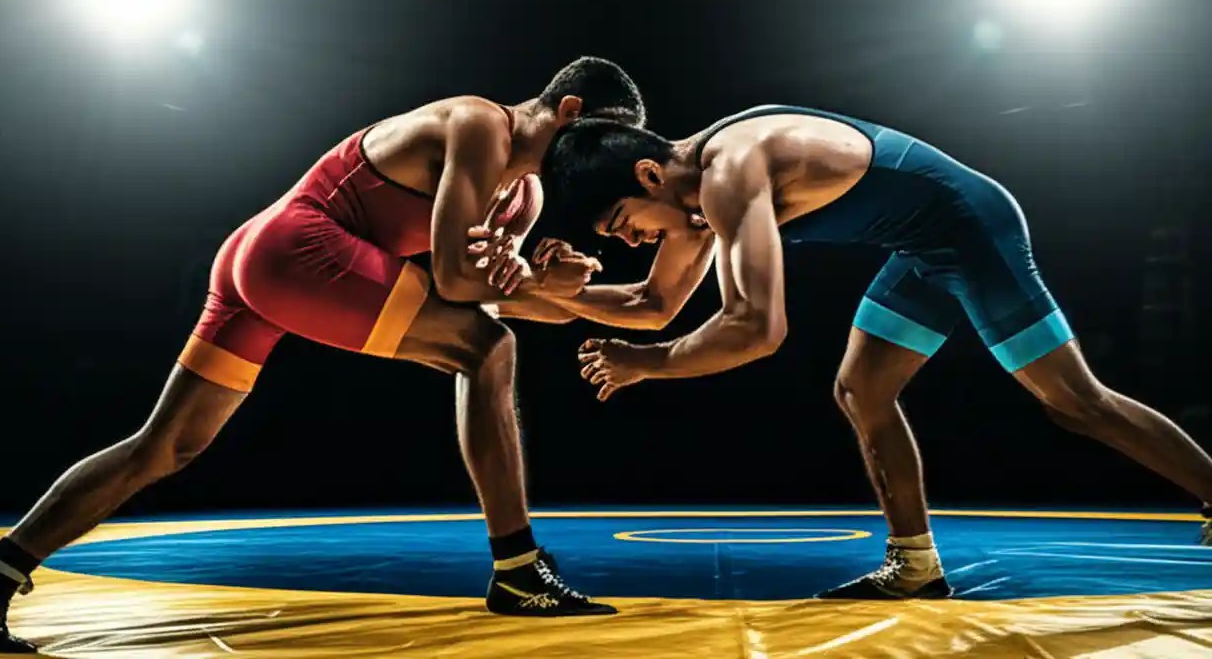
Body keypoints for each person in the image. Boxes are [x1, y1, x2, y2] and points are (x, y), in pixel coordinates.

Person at [0, 57, 636, 653]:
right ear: (567, 108)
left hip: (263, 257)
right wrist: (540, 285)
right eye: (598, 139)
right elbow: (459, 285)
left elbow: (488, 297)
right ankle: (517, 567)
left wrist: (564, 287)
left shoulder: (525, 199)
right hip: (299, 246)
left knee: (168, 445)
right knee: (488, 352)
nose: (598, 164)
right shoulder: (482, 126)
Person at [474, 107, 1212, 600]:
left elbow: (757, 328)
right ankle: (916, 567)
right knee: (862, 389)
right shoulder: (690, 194)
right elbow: (650, 305)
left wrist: (653, 364)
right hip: (922, 245)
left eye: (624, 223)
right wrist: (521, 295)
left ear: (646, 178)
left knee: (1073, 404)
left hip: (968, 227)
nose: (630, 241)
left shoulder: (731, 173)